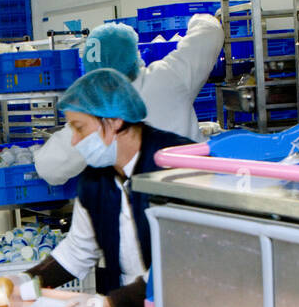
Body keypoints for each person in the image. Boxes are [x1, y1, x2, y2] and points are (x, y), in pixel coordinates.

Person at [26, 69, 193, 307]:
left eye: (79, 128)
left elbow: (184, 264)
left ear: (114, 121)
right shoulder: (95, 180)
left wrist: (106, 306)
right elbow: (78, 250)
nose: (75, 141)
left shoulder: (177, 164)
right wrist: (25, 283)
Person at [35, 15, 223, 185]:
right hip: (196, 192)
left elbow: (49, 167)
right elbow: (208, 36)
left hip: (143, 205)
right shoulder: (168, 77)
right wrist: (203, 20)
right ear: (134, 54)